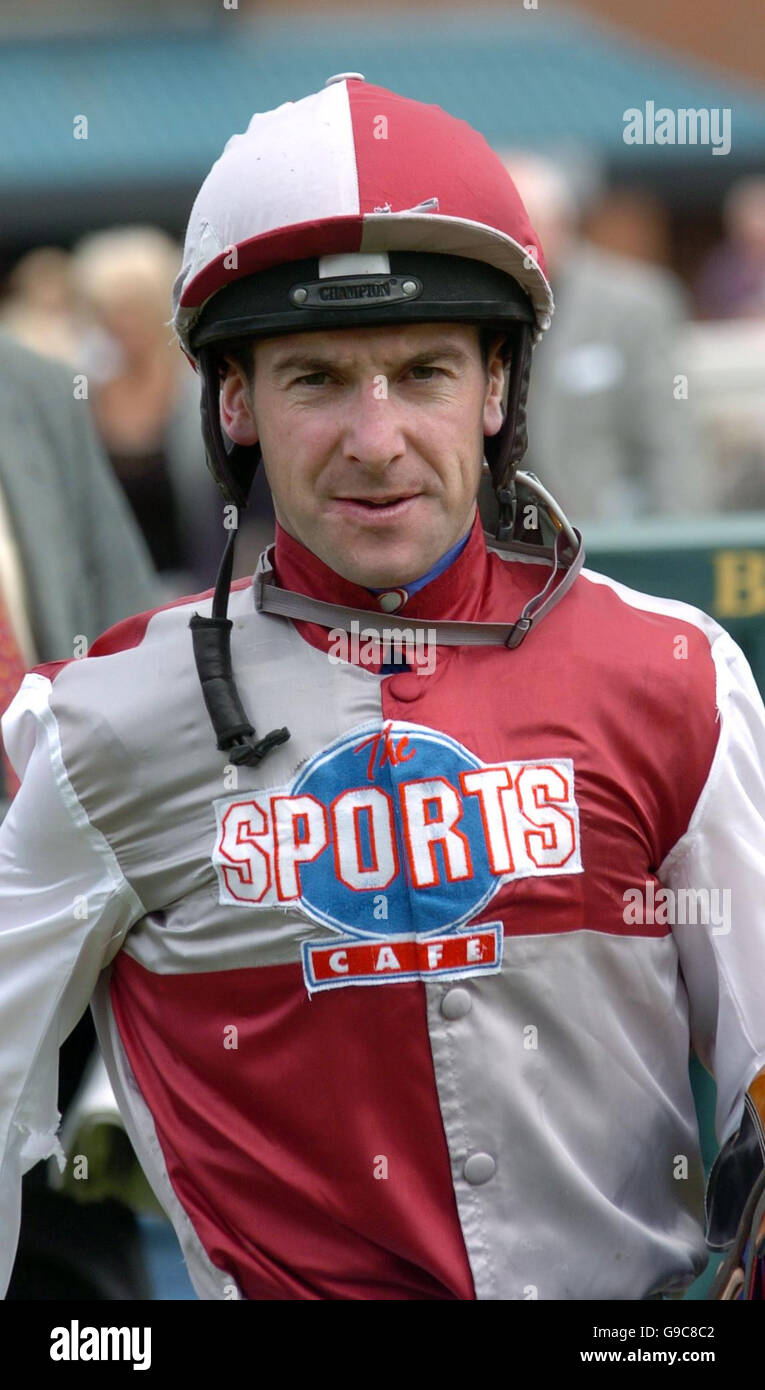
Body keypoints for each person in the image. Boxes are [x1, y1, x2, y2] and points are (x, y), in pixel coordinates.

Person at [0, 75, 764, 1303]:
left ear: (501, 387)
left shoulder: (678, 677)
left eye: (422, 371)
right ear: (235, 402)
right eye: (315, 379)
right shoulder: (95, 726)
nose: (376, 436)